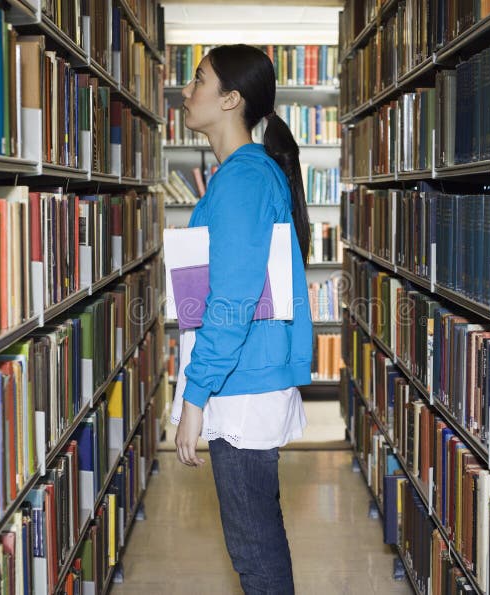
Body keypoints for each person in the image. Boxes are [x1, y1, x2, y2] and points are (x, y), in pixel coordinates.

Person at [169, 44, 313, 594]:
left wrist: (193, 397)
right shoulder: (243, 175)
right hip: (245, 379)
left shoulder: (242, 181)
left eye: (198, 80)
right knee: (257, 544)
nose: (186, 91)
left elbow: (228, 303)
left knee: (255, 552)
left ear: (231, 100)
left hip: (240, 385)